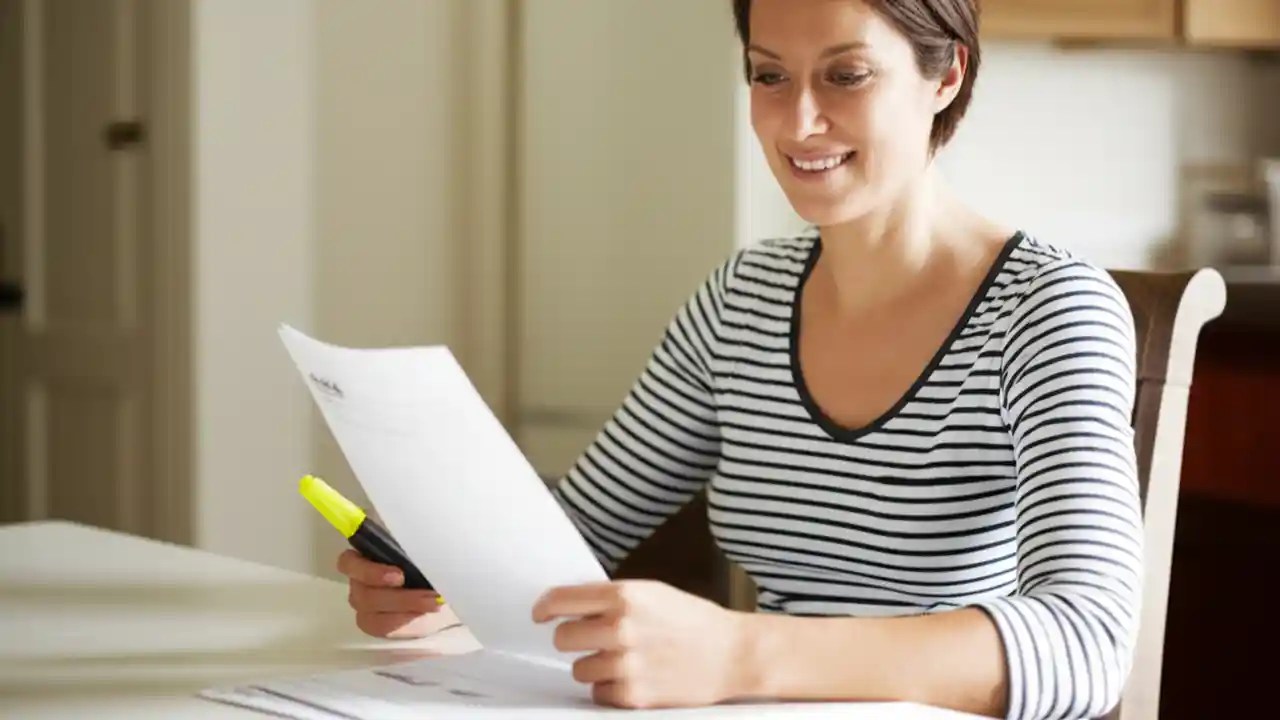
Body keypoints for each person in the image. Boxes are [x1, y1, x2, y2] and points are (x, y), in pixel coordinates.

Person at [336, 1, 1143, 718]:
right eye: (768, 75)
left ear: (945, 76)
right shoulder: (742, 301)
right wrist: (444, 589)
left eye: (847, 75)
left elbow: (1088, 643)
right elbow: (569, 540)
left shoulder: (1049, 310)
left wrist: (736, 652)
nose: (797, 123)